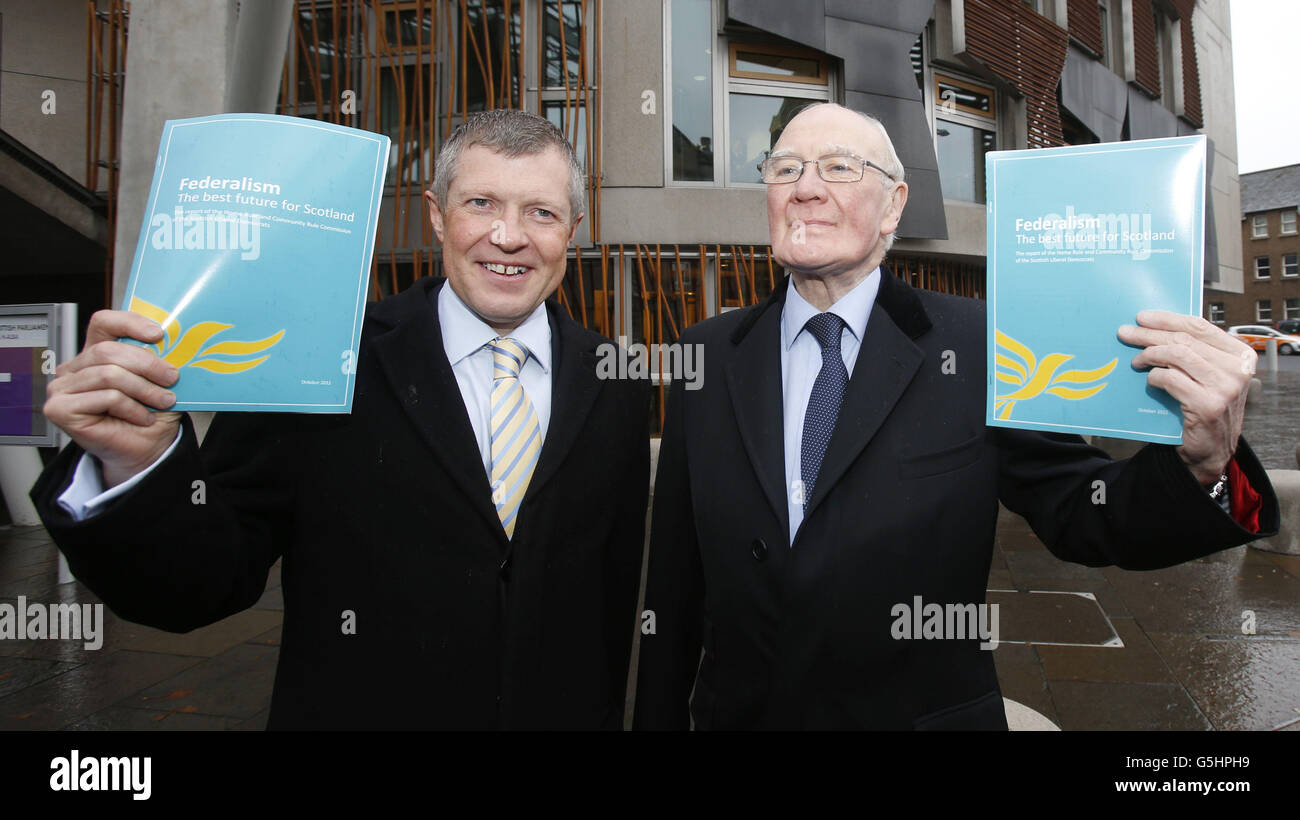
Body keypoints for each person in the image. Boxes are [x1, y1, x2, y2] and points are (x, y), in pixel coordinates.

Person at [632, 103, 1278, 730]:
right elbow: (674, 579)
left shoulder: (981, 345)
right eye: (784, 169)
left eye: (837, 167)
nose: (805, 189)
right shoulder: (707, 352)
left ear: (893, 207)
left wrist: (1204, 463)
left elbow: (1086, 511)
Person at [31, 110, 650, 730]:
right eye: (481, 203)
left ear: (572, 228)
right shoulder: (323, 360)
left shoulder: (615, 383)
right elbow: (201, 580)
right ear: (436, 214)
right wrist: (140, 465)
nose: (508, 237)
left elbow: (612, 604)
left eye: (539, 212)